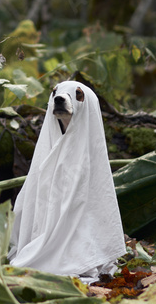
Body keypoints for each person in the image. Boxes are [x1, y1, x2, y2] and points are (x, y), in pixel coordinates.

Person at [8, 80, 125, 282]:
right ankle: (46, 247)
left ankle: (77, 255)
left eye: (76, 95)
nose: (62, 98)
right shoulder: (46, 150)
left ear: (86, 104)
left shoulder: (92, 157)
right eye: (57, 95)